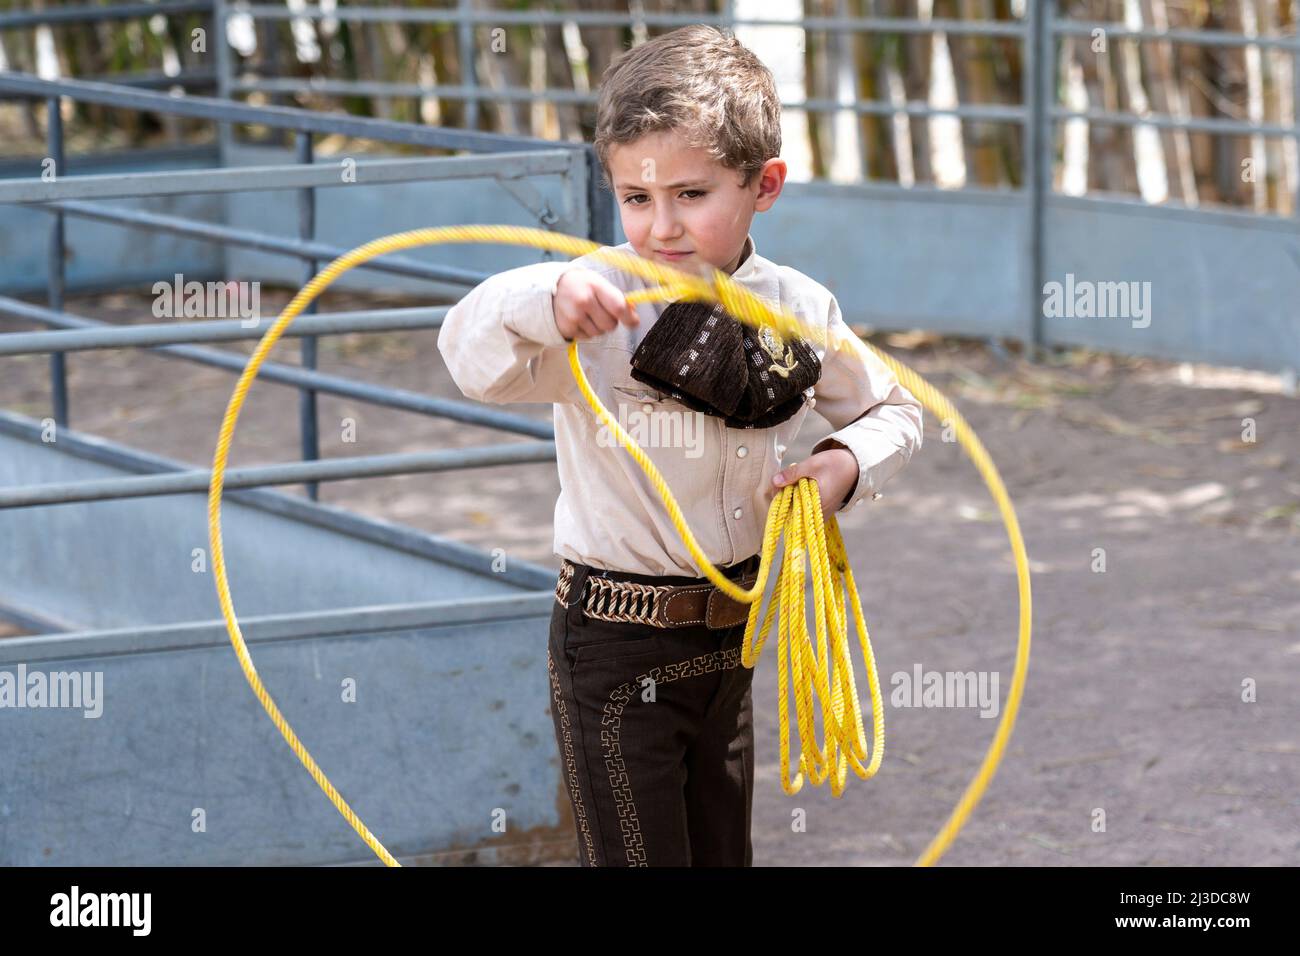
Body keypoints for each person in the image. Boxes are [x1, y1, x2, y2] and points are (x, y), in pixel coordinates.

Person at [437, 24, 923, 867]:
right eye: (636, 198)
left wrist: (846, 465)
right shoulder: (591, 302)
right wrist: (546, 294)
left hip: (734, 632)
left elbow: (896, 408)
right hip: (613, 643)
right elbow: (469, 352)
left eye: (692, 195)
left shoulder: (800, 307)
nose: (660, 227)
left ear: (763, 184)